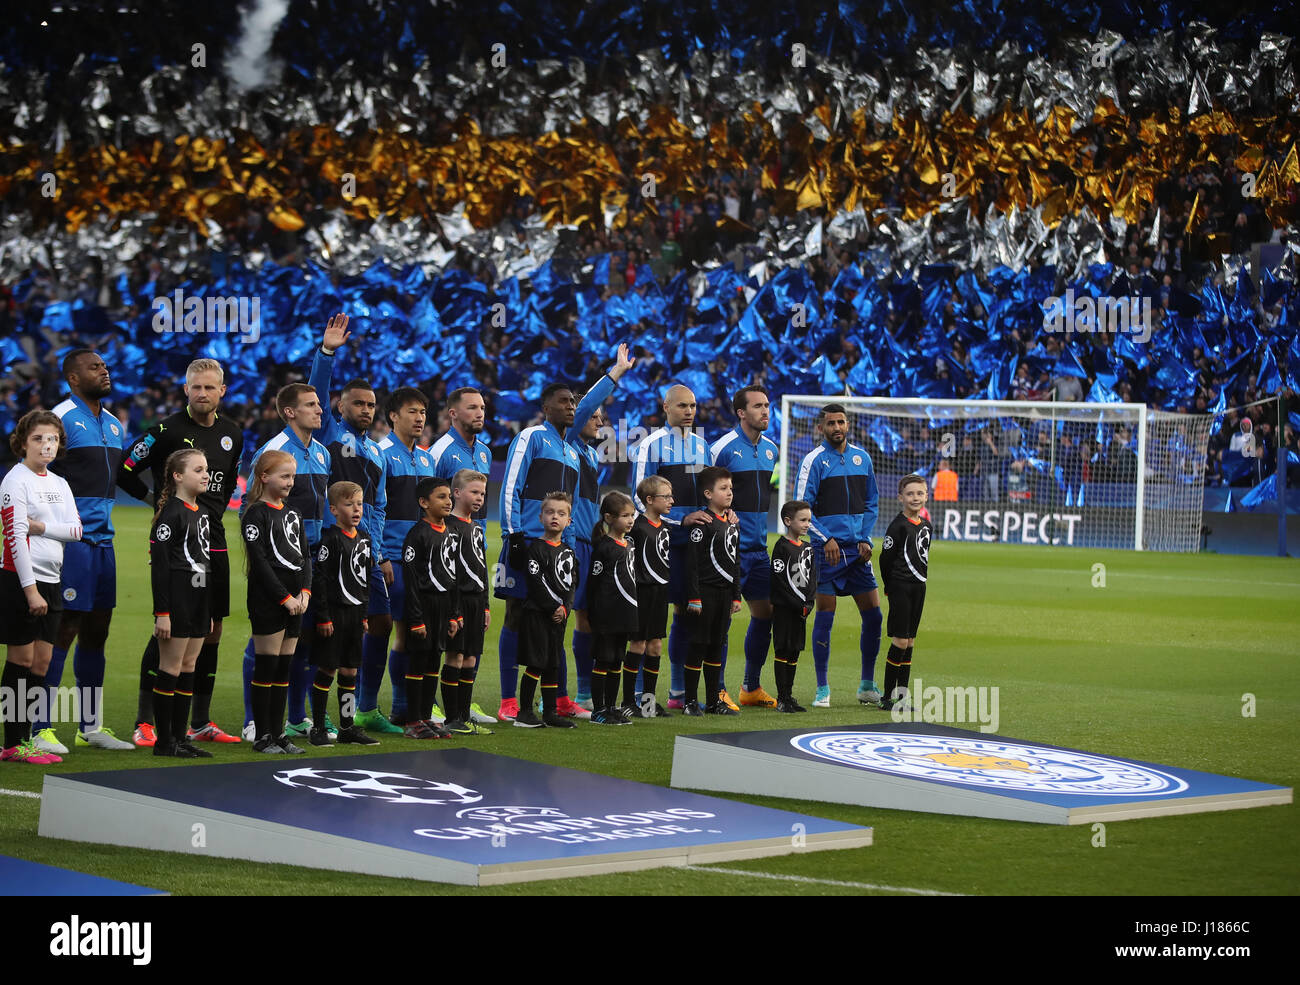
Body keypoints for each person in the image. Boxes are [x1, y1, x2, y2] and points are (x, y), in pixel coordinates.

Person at [118, 357, 244, 747]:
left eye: (210, 387)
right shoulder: (164, 430)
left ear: (222, 391)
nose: (202, 393)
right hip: (177, 541)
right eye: (196, 387)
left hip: (216, 539)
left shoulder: (232, 434)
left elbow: (222, 489)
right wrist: (157, 501)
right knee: (168, 628)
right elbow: (124, 469)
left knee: (211, 628)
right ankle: (145, 722)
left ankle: (200, 722)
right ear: (185, 389)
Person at [495, 366, 625, 723]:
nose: (571, 407)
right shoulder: (532, 437)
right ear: (546, 407)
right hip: (527, 541)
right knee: (517, 616)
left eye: (573, 402)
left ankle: (558, 698)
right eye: (563, 402)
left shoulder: (570, 449)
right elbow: (511, 486)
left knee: (559, 618)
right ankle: (509, 700)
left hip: (560, 550)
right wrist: (514, 534)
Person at [40, 349, 133, 751]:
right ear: (74, 378)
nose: (104, 370)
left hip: (104, 544)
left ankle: (89, 726)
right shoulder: (57, 420)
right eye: (94, 367)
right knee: (63, 630)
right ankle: (38, 727)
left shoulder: (113, 424)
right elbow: (37, 476)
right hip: (70, 543)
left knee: (97, 632)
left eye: (105, 365)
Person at [306, 315, 392, 737]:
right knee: (321, 640)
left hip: (364, 555)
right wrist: (327, 353)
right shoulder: (328, 434)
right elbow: (315, 392)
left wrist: (377, 552)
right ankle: (308, 717)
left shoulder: (377, 455)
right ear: (340, 406)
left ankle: (359, 711)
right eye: (358, 403)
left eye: (371, 405)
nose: (365, 410)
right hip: (327, 547)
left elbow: (377, 508)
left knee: (378, 624)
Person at [239, 383, 331, 742]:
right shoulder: (273, 450)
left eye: (319, 404)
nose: (319, 410)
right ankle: (254, 722)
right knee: (262, 645)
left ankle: (292, 719)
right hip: (276, 567)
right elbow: (252, 507)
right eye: (311, 404)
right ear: (290, 411)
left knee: (303, 642)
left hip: (308, 560)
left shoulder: (322, 453)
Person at [1, 410, 82, 764]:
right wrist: (29, 589)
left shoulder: (59, 483)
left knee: (42, 662)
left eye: (52, 439)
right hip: (21, 580)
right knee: (21, 658)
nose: (46, 445)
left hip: (53, 578)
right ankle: (13, 744)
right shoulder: (15, 481)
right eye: (38, 439)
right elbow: (14, 536)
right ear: (22, 443)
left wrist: (42, 527)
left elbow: (77, 530)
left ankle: (25, 739)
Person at [630, 384, 716, 711]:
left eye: (693, 406)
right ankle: (640, 694)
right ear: (665, 407)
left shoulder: (702, 447)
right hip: (657, 543)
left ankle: (678, 692)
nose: (690, 411)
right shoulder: (650, 446)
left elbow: (709, 496)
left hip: (692, 545)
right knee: (651, 617)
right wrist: (677, 523)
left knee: (687, 613)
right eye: (682, 406)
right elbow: (640, 501)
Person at [794, 403, 883, 708]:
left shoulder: (862, 458)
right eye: (830, 423)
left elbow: (871, 501)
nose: (836, 427)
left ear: (848, 424)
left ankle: (867, 685)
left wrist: (864, 538)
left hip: (857, 551)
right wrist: (825, 537)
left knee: (874, 616)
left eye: (841, 422)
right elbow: (801, 509)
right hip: (826, 552)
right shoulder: (814, 461)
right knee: (825, 617)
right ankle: (822, 688)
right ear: (821, 428)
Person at [562, 345, 635, 712]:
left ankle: (587, 692)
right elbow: (586, 406)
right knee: (574, 615)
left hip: (593, 543)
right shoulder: (570, 443)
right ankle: (573, 694)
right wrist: (615, 373)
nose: (599, 421)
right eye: (595, 416)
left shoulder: (590, 454)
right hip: (574, 543)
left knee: (591, 616)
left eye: (602, 417)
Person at [363, 387, 436, 730]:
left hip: (421, 562)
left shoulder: (427, 459)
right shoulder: (380, 454)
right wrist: (379, 555)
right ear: (392, 416)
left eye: (422, 412)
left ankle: (403, 708)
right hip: (390, 557)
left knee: (411, 632)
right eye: (412, 411)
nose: (419, 418)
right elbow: (374, 510)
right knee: (381, 627)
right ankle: (365, 705)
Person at [710, 384, 781, 708]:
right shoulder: (722, 448)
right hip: (729, 550)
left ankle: (750, 687)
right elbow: (706, 493)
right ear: (741, 412)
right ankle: (717, 689)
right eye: (758, 406)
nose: (765, 411)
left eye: (767, 405)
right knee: (722, 618)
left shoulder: (771, 450)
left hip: (759, 548)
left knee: (766, 613)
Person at [429, 387, 496, 726]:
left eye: (482, 407)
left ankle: (461, 707)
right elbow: (428, 501)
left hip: (474, 546)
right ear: (453, 413)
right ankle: (432, 705)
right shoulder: (440, 451)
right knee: (447, 642)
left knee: (471, 644)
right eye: (472, 407)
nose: (480, 413)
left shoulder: (483, 452)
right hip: (446, 550)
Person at [242, 449, 311, 754]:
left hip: (297, 600)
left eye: (292, 476)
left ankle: (279, 733)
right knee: (267, 667)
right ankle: (262, 737)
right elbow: (259, 562)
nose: (290, 482)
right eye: (284, 476)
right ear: (264, 476)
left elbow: (306, 556)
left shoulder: (292, 513)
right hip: (269, 600)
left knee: (284, 668)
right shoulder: (256, 513)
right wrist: (284, 598)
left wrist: (305, 593)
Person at [148, 448, 214, 758]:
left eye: (206, 470)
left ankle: (179, 737)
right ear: (178, 476)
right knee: (171, 667)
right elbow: (160, 567)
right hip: (177, 599)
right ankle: (165, 742)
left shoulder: (201, 512)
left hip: (199, 599)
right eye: (198, 470)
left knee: (189, 666)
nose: (206, 475)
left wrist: (208, 607)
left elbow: (203, 562)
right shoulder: (170, 513)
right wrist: (162, 612)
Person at [309, 481, 380, 747]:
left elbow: (363, 581)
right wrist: (324, 616)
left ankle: (347, 727)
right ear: (334, 509)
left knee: (350, 671)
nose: (356, 509)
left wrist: (364, 615)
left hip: (355, 614)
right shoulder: (331, 539)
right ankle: (317, 726)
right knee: (327, 668)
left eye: (359, 504)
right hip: (335, 615)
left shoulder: (364, 538)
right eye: (349, 504)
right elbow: (321, 580)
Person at [401, 477, 462, 739]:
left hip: (443, 607)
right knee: (418, 662)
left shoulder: (450, 532)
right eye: (441, 497)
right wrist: (415, 619)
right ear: (424, 503)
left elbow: (453, 574)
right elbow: (411, 581)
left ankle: (426, 716)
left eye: (449, 496)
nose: (448, 501)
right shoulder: (417, 535)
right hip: (423, 607)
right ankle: (412, 720)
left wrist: (454, 614)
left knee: (433, 662)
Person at [510, 491, 577, 729]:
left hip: (559, 617)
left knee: (552, 664)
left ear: (569, 520)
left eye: (561, 513)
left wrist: (566, 609)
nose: (555, 517)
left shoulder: (568, 551)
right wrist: (553, 607)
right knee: (536, 663)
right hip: (537, 614)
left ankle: (550, 712)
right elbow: (536, 582)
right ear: (540, 517)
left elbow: (571, 584)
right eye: (549, 512)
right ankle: (525, 713)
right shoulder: (536, 549)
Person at [682, 466, 742, 716]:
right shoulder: (702, 523)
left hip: (724, 594)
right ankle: (690, 702)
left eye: (730, 488)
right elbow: (692, 563)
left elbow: (735, 560)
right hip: (704, 594)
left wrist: (736, 595)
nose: (729, 493)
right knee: (698, 644)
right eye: (723, 488)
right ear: (708, 493)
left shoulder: (732, 523)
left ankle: (713, 702)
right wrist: (694, 596)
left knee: (717, 645)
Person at [444, 469, 492, 735]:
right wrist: (455, 609)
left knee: (472, 658)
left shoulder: (476, 527)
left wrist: (485, 605)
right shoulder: (449, 526)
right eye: (474, 492)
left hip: (476, 601)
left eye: (483, 494)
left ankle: (464, 716)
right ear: (457, 492)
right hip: (458, 600)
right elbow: (448, 570)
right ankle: (452, 718)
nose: (479, 498)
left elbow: (482, 568)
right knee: (456, 656)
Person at [878, 475, 932, 711]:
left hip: (919, 587)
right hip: (900, 587)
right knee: (899, 641)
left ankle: (902, 697)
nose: (915, 498)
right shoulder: (897, 526)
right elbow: (885, 559)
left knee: (910, 642)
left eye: (919, 493)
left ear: (926, 496)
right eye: (910, 494)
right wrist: (890, 587)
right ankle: (887, 698)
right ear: (901, 497)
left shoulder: (927, 526)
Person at [587, 491, 638, 725]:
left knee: (618, 660)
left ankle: (611, 707)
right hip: (606, 615)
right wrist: (594, 614)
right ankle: (598, 710)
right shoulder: (603, 547)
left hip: (625, 613)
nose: (630, 520)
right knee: (604, 660)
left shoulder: (630, 544)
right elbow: (593, 583)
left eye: (632, 515)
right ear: (609, 517)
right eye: (625, 516)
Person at [625, 475, 673, 716]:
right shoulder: (637, 528)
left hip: (660, 593)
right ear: (650, 499)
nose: (671, 501)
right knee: (638, 644)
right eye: (666, 496)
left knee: (655, 646)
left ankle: (648, 702)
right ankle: (627, 702)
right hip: (641, 593)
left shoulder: (664, 526)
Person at [769, 501, 817, 713]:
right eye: (803, 520)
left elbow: (812, 577)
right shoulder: (782, 547)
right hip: (785, 609)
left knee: (795, 651)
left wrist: (810, 602)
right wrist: (797, 604)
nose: (807, 524)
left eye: (809, 520)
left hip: (802, 610)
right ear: (788, 521)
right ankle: (781, 698)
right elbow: (779, 580)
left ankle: (789, 695)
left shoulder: (808, 548)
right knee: (783, 649)